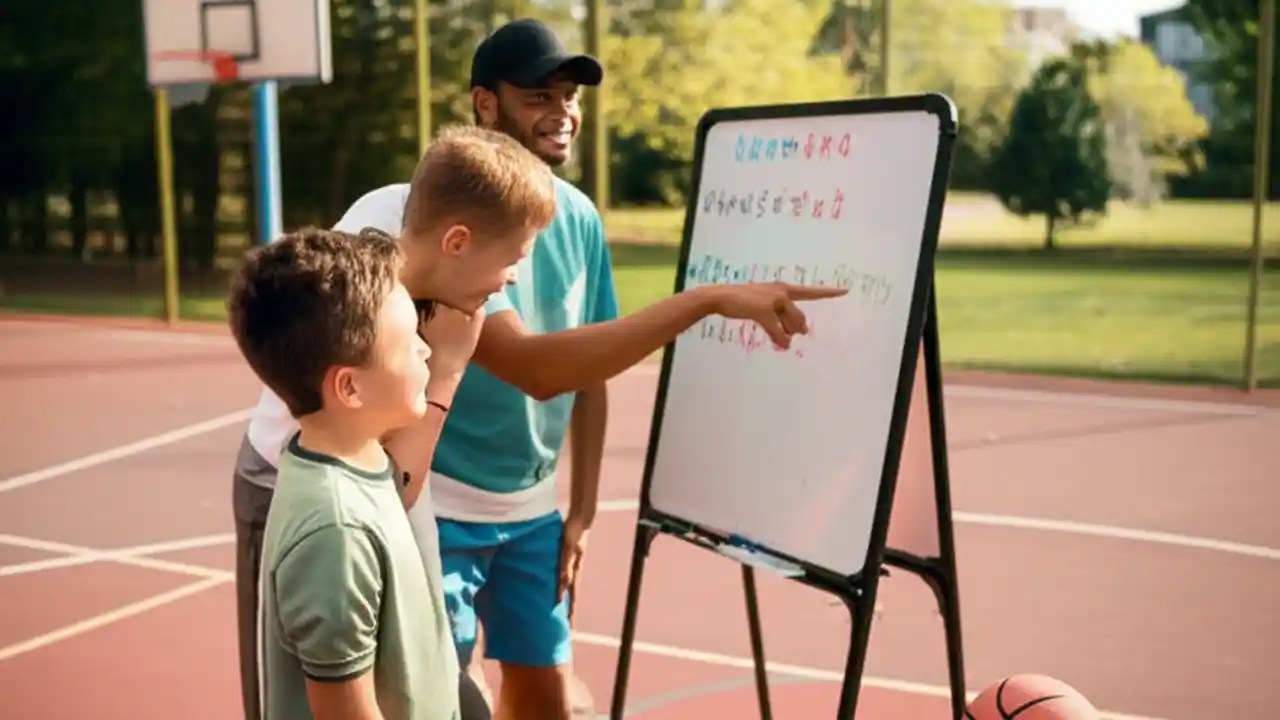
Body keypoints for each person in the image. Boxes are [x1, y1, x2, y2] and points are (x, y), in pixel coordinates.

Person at [418, 18, 850, 719]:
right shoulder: (450, 214)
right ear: (485, 103)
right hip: (442, 504)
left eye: (569, 96)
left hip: (531, 511)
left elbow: (591, 370)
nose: (561, 111)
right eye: (538, 95)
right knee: (448, 698)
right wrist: (705, 300)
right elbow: (534, 367)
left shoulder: (580, 219)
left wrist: (580, 513)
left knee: (545, 699)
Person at [230, 125, 559, 720]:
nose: (512, 277)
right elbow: (394, 479)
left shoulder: (406, 291)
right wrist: (448, 371)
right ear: (458, 241)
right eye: (512, 259)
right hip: (313, 481)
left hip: (377, 480)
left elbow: (394, 484)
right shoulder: (361, 319)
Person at [226, 227, 463, 719]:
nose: (425, 349)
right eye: (408, 341)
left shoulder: (358, 456)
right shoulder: (335, 531)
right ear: (350, 389)